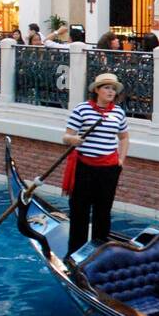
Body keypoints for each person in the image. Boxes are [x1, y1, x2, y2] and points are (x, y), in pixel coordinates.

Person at [62, 72, 130, 259]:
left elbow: (124, 137)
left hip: (109, 169)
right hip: (84, 167)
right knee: (80, 211)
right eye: (107, 88)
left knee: (103, 211)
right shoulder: (82, 109)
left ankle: (99, 254)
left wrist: (121, 160)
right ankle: (75, 254)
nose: (111, 92)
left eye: (113, 89)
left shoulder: (118, 112)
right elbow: (66, 137)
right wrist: (73, 139)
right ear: (97, 90)